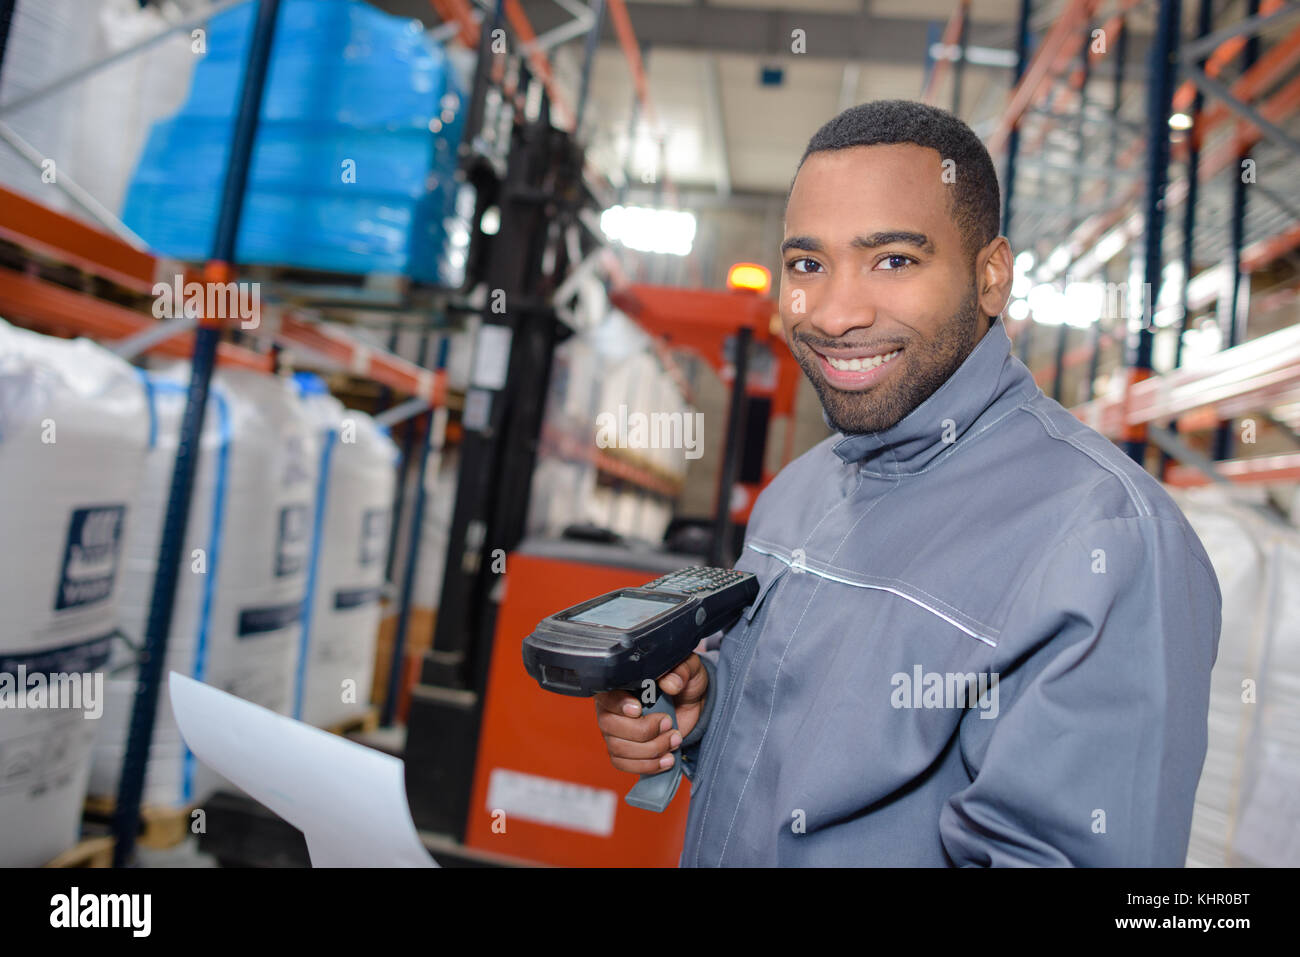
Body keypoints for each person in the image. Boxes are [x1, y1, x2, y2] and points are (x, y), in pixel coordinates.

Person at [593, 99, 1222, 867]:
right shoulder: (798, 492)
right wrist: (712, 707)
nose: (836, 312)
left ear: (991, 278)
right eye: (807, 264)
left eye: (894, 259)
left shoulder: (1104, 541)